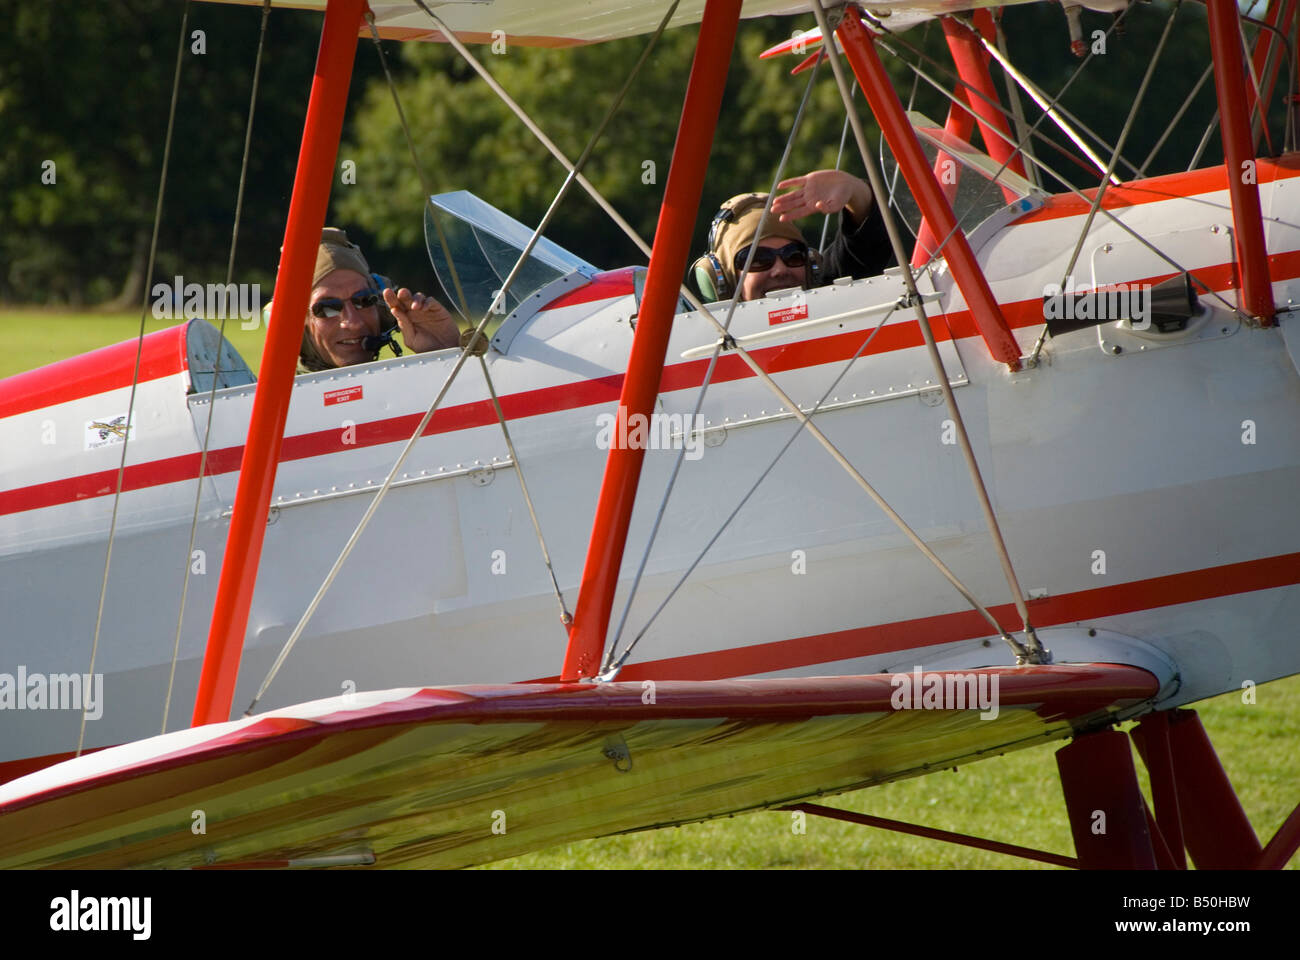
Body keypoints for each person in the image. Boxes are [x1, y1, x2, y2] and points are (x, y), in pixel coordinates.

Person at [692, 169, 894, 303]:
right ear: (723, 280)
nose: (780, 270)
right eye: (758, 259)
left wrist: (855, 189)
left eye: (793, 256)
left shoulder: (827, 295)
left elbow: (866, 246)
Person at [297, 227, 461, 372]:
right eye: (327, 308)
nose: (353, 323)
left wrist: (446, 353)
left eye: (364, 300)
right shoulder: (281, 403)